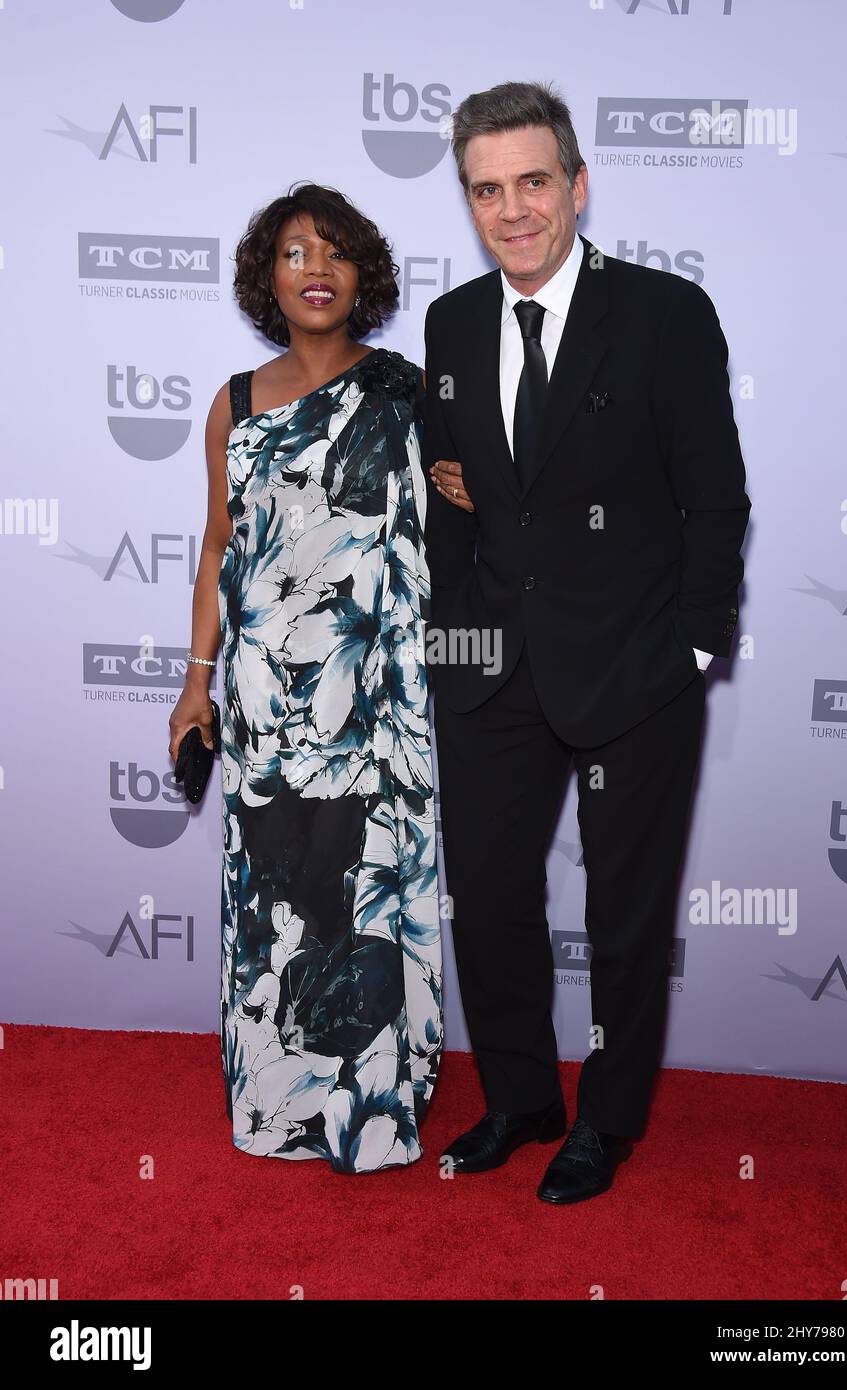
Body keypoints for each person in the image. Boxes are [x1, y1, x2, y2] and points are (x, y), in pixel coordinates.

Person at [423, 82, 751, 1204]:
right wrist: (447, 629)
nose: (512, 210)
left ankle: (606, 1121)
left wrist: (693, 649)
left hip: (633, 668)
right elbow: (456, 491)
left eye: (531, 182)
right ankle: (520, 1096)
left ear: (574, 183)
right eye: (485, 189)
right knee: (492, 891)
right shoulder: (453, 322)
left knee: (624, 909)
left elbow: (716, 499)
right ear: (467, 200)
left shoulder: (663, 313)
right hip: (487, 668)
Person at [168, 183, 442, 1173]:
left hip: (370, 698)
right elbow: (217, 548)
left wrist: (455, 484)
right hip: (263, 703)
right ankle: (277, 1103)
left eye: (334, 251)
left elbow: (464, 514)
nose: (315, 267)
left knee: (362, 898)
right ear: (265, 278)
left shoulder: (410, 394)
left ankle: (369, 1110)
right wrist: (196, 679)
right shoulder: (235, 404)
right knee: (277, 901)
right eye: (293, 252)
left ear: (361, 275)